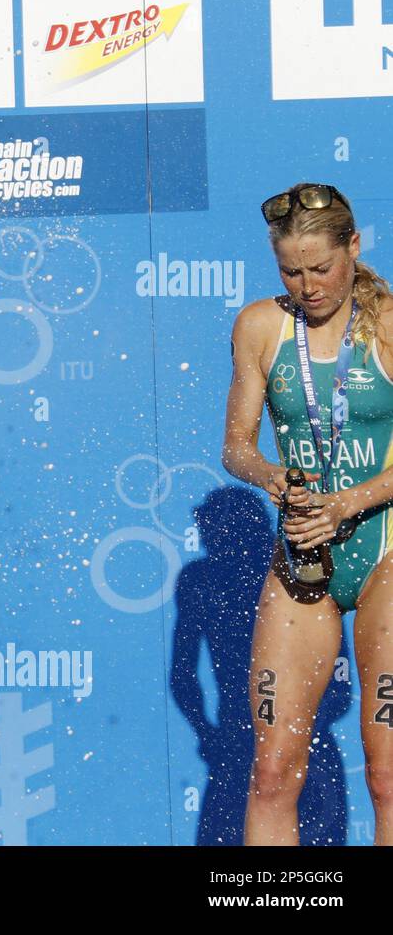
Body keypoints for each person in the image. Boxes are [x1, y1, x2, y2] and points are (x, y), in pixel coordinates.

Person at [223, 183, 393, 844]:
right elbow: (236, 445)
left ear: (353, 247)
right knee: (271, 772)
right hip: (302, 555)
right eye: (291, 270)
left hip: (384, 551)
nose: (308, 284)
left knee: (386, 773)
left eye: (321, 268)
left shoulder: (383, 325)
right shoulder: (261, 327)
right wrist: (271, 475)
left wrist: (348, 500)